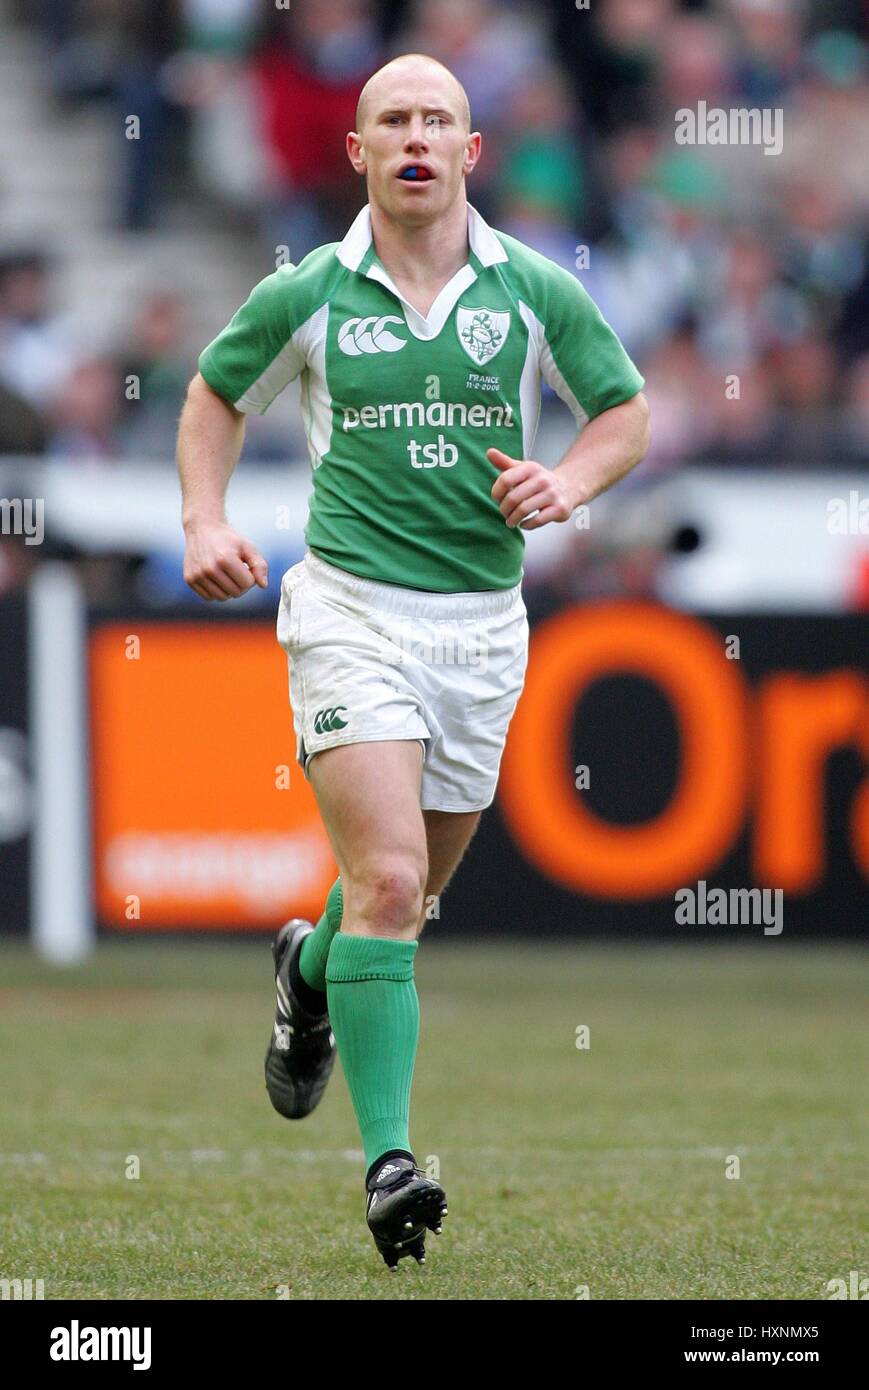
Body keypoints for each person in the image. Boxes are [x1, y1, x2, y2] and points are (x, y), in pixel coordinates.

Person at [176, 52, 650, 1269]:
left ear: (471, 150)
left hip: (481, 631)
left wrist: (571, 479)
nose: (416, 137)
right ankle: (390, 1159)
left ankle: (307, 970)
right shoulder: (308, 292)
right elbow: (213, 395)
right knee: (388, 882)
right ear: (360, 150)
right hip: (348, 611)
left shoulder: (534, 288)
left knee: (402, 899)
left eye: (438, 118)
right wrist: (204, 518)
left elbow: (623, 411)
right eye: (393, 119)